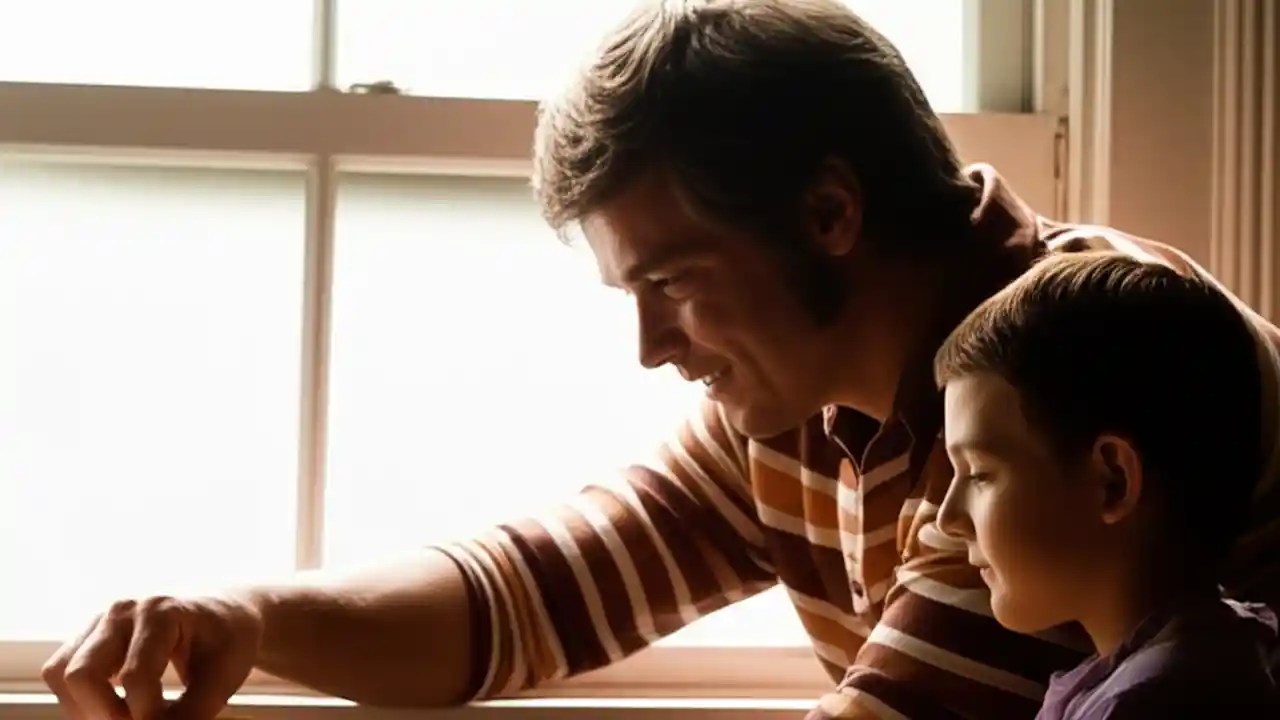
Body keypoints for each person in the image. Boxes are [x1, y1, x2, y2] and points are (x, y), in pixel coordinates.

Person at [41, 2, 1280, 719]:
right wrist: (248, 616)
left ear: (828, 214)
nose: (649, 349)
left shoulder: (1079, 368)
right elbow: (527, 597)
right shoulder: (795, 412)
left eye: (670, 283)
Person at [933, 252, 1280, 718]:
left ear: (1112, 481)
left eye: (978, 473)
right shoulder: (1194, 660)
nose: (947, 518)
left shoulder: (1159, 702)